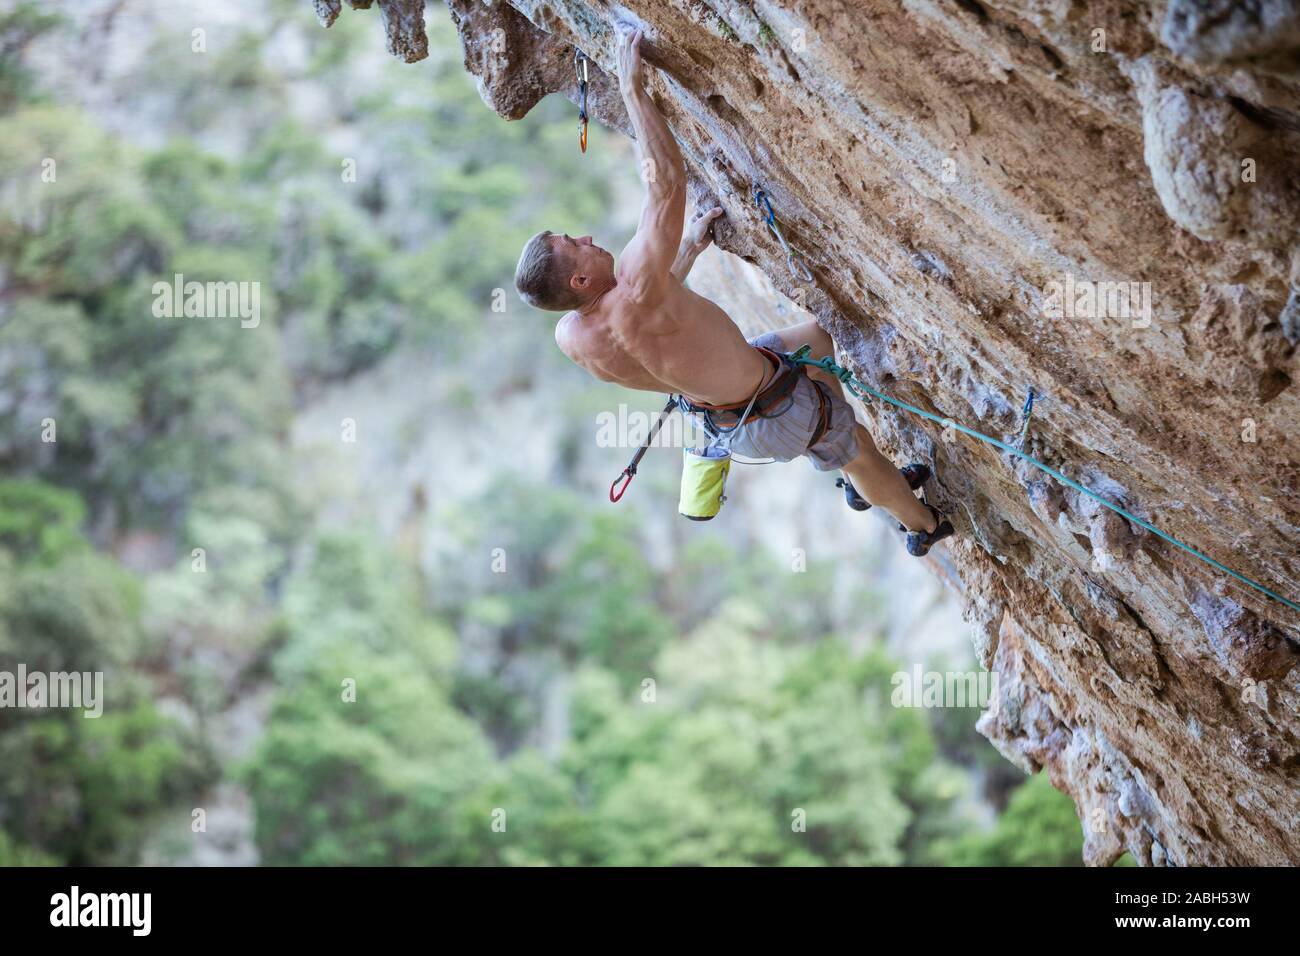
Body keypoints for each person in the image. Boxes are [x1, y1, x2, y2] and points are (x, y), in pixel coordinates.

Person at [513, 25, 953, 555]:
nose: (585, 237)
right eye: (573, 244)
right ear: (580, 280)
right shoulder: (632, 287)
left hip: (734, 405)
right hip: (773, 410)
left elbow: (653, 320)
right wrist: (633, 89)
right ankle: (920, 523)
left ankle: (856, 472)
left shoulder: (574, 334)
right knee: (858, 450)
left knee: (823, 337)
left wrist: (690, 251)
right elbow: (667, 184)